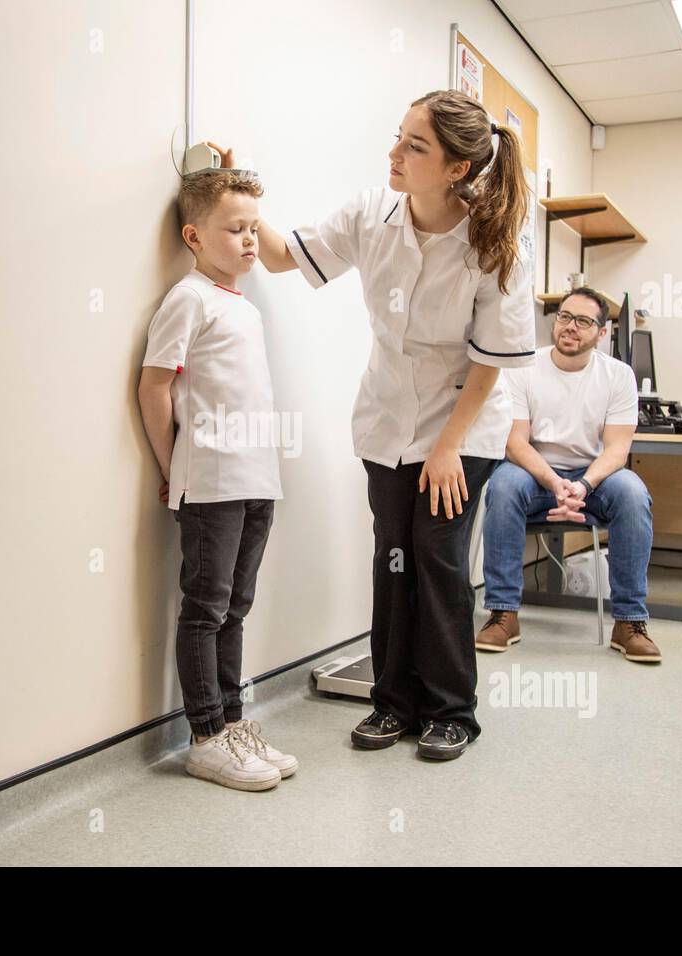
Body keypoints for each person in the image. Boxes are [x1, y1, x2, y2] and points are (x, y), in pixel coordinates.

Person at [215, 88, 536, 760]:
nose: (393, 153)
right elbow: (282, 258)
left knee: (439, 559)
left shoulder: (493, 241)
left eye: (414, 145)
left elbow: (490, 361)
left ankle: (452, 711)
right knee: (392, 558)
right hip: (388, 420)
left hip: (464, 425)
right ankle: (394, 703)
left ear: (455, 168)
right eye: (399, 136)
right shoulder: (372, 212)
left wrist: (448, 447)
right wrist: (236, 188)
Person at [137, 169, 299, 791]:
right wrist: (167, 465)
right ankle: (205, 737)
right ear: (194, 235)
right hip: (209, 481)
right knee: (205, 609)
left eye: (254, 228)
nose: (251, 241)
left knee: (236, 606)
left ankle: (233, 723)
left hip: (257, 478)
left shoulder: (242, 305)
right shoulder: (189, 297)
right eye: (236, 229)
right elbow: (154, 384)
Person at [478, 287, 661, 663]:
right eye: (564, 316)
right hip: (534, 471)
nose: (570, 327)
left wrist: (582, 485)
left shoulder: (618, 375)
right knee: (503, 484)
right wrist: (553, 482)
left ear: (601, 332)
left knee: (632, 493)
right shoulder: (523, 368)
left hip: (592, 479)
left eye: (583, 321)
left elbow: (617, 449)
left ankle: (628, 622)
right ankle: (503, 613)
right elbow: (515, 442)